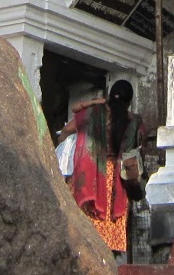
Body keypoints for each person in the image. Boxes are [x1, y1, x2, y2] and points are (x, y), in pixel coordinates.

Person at [56, 80, 143, 256]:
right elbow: (137, 147)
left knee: (87, 231)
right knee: (109, 235)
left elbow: (67, 129)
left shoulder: (92, 114)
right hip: (118, 180)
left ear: (109, 95)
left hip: (92, 175)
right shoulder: (134, 122)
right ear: (129, 101)